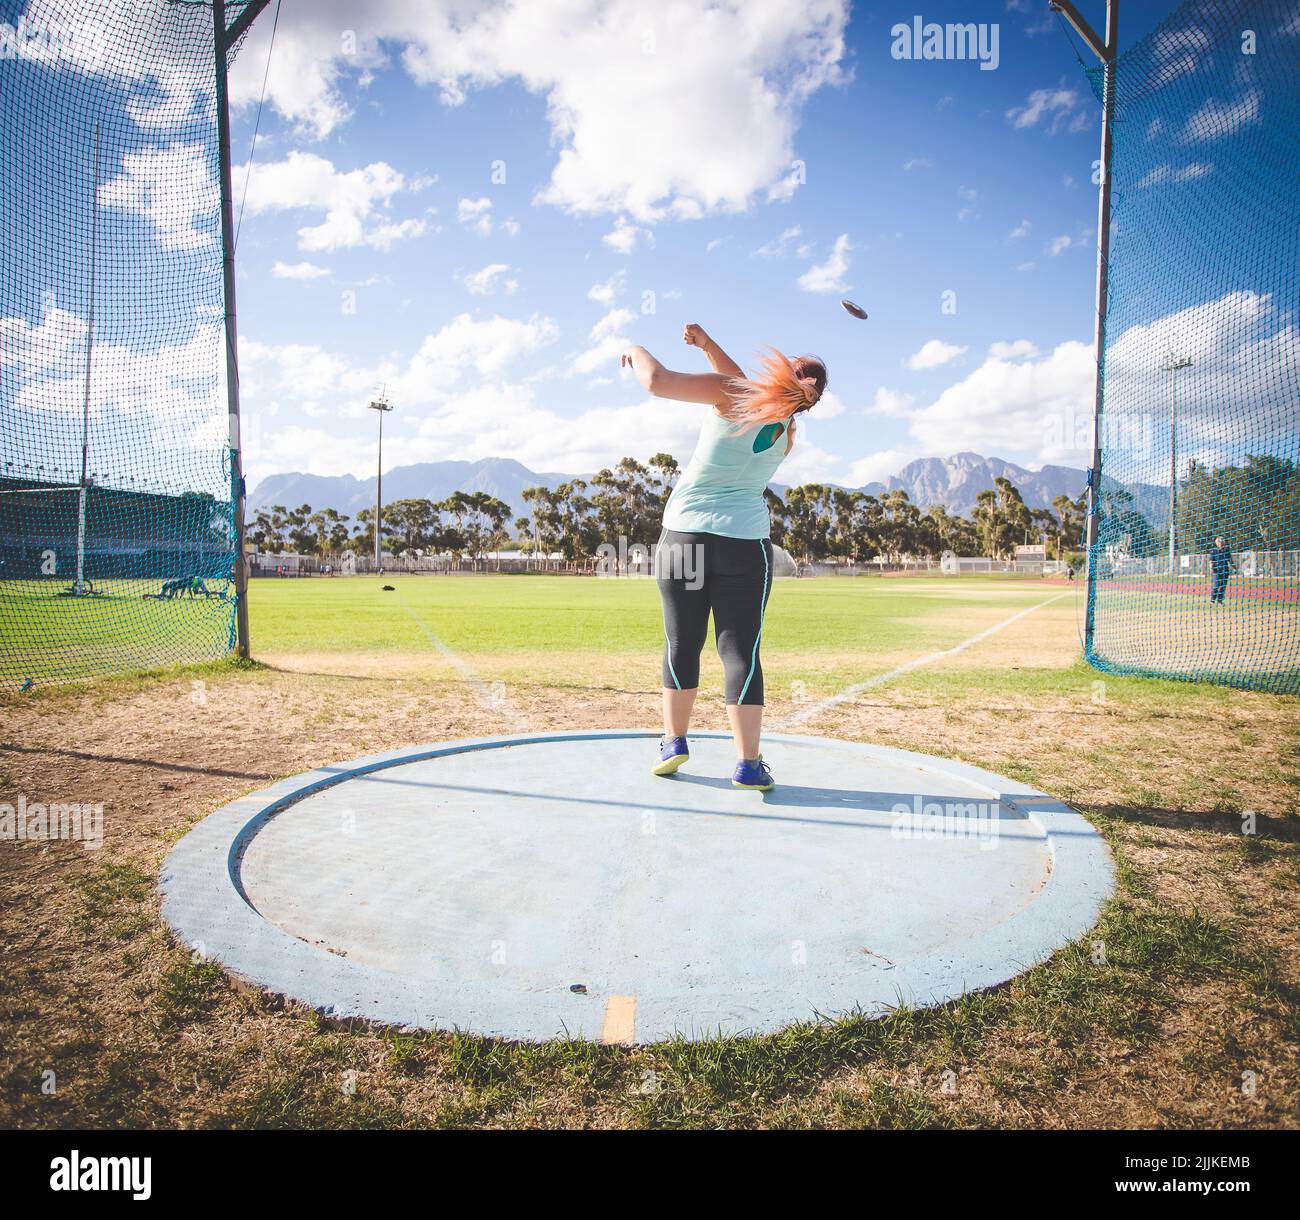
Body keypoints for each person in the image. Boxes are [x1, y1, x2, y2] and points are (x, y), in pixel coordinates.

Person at [621, 324, 827, 792]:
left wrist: (634, 349)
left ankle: (674, 742)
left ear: (775, 373)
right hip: (744, 545)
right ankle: (748, 765)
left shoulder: (729, 395)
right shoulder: (787, 431)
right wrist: (710, 346)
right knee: (740, 652)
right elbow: (742, 388)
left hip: (685, 539)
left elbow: (657, 382)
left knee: (681, 642)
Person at [1210, 535, 1234, 604]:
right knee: (1216, 585)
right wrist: (1211, 568)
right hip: (1216, 570)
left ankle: (1219, 601)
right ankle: (1212, 599)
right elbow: (1211, 561)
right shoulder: (1214, 551)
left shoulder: (1226, 551)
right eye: (1219, 541)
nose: (1221, 543)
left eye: (1222, 541)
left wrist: (1235, 568)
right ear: (1216, 543)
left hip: (1225, 570)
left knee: (1223, 586)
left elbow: (1230, 560)